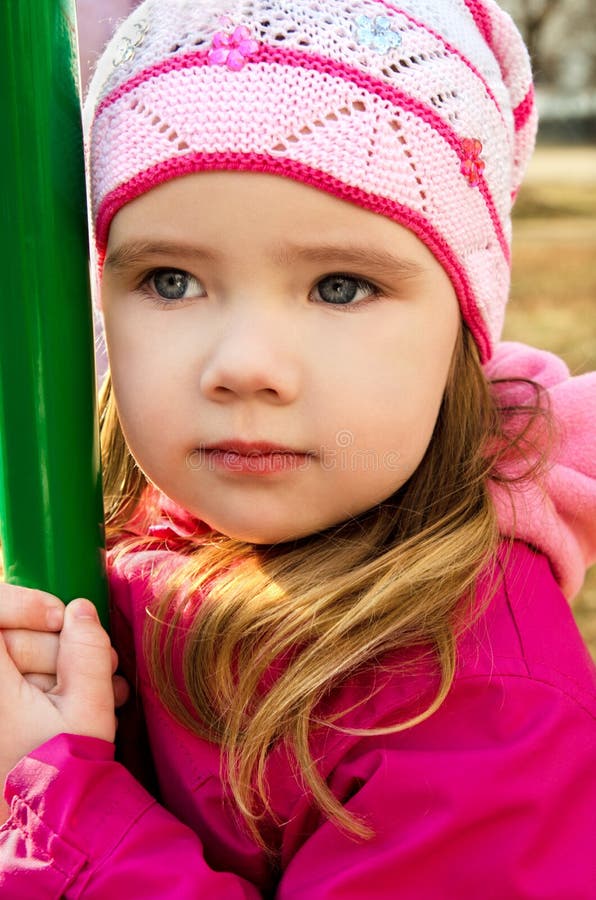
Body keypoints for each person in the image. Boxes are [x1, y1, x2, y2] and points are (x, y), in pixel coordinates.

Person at [1, 0, 595, 895]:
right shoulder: (104, 535)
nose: (244, 367)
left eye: (341, 287)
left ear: (462, 331)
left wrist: (52, 806)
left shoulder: (477, 694)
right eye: (172, 279)